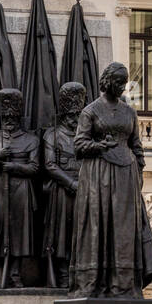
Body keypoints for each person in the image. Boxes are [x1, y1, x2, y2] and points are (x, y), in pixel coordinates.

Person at [69, 62, 152, 297]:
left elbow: (136, 146)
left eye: (124, 81)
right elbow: (79, 145)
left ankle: (124, 284)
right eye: (118, 81)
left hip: (126, 176)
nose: (122, 86)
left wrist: (138, 171)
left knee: (125, 229)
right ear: (107, 82)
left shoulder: (129, 111)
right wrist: (99, 146)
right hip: (99, 175)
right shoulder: (90, 110)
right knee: (100, 225)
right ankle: (96, 283)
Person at [0, 88, 40, 289]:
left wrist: (14, 167)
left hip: (21, 191)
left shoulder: (31, 140)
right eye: (5, 117)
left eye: (12, 117)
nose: (9, 121)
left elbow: (35, 167)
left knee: (19, 232)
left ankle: (15, 275)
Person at [41, 81, 86, 288]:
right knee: (60, 236)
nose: (73, 121)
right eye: (70, 117)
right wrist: (70, 183)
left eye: (76, 116)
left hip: (84, 190)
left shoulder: (85, 136)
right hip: (61, 191)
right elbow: (50, 165)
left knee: (82, 233)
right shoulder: (52, 135)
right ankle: (61, 274)